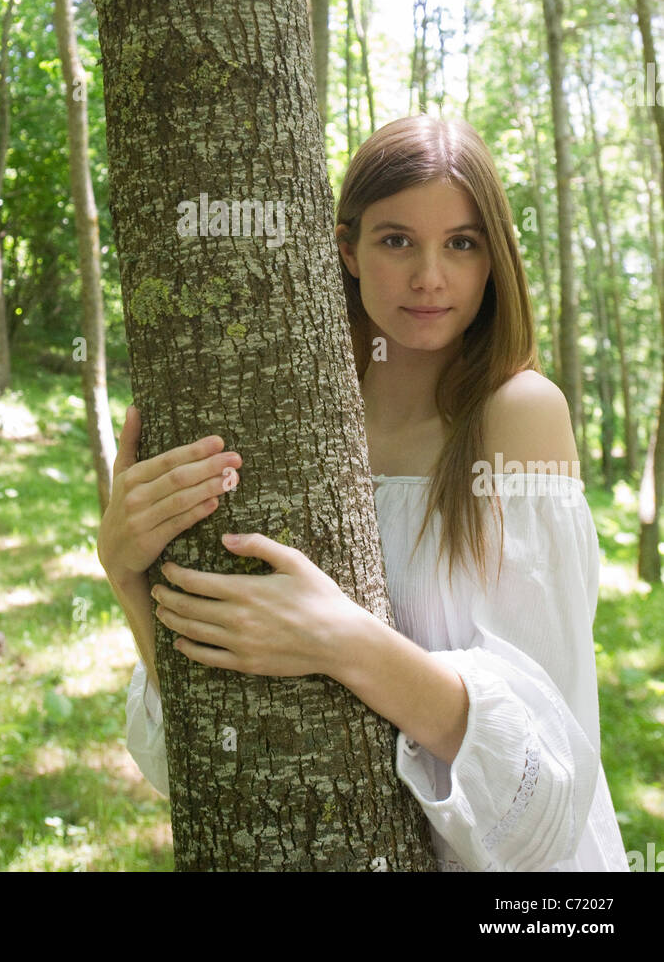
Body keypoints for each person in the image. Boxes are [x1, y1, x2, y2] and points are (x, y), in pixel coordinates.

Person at [97, 115, 630, 872]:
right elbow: (194, 757)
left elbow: (545, 779)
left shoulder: (519, 413)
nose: (428, 278)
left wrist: (343, 641)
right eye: (395, 240)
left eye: (461, 242)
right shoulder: (289, 414)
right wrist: (125, 574)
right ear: (345, 248)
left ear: (493, 259)